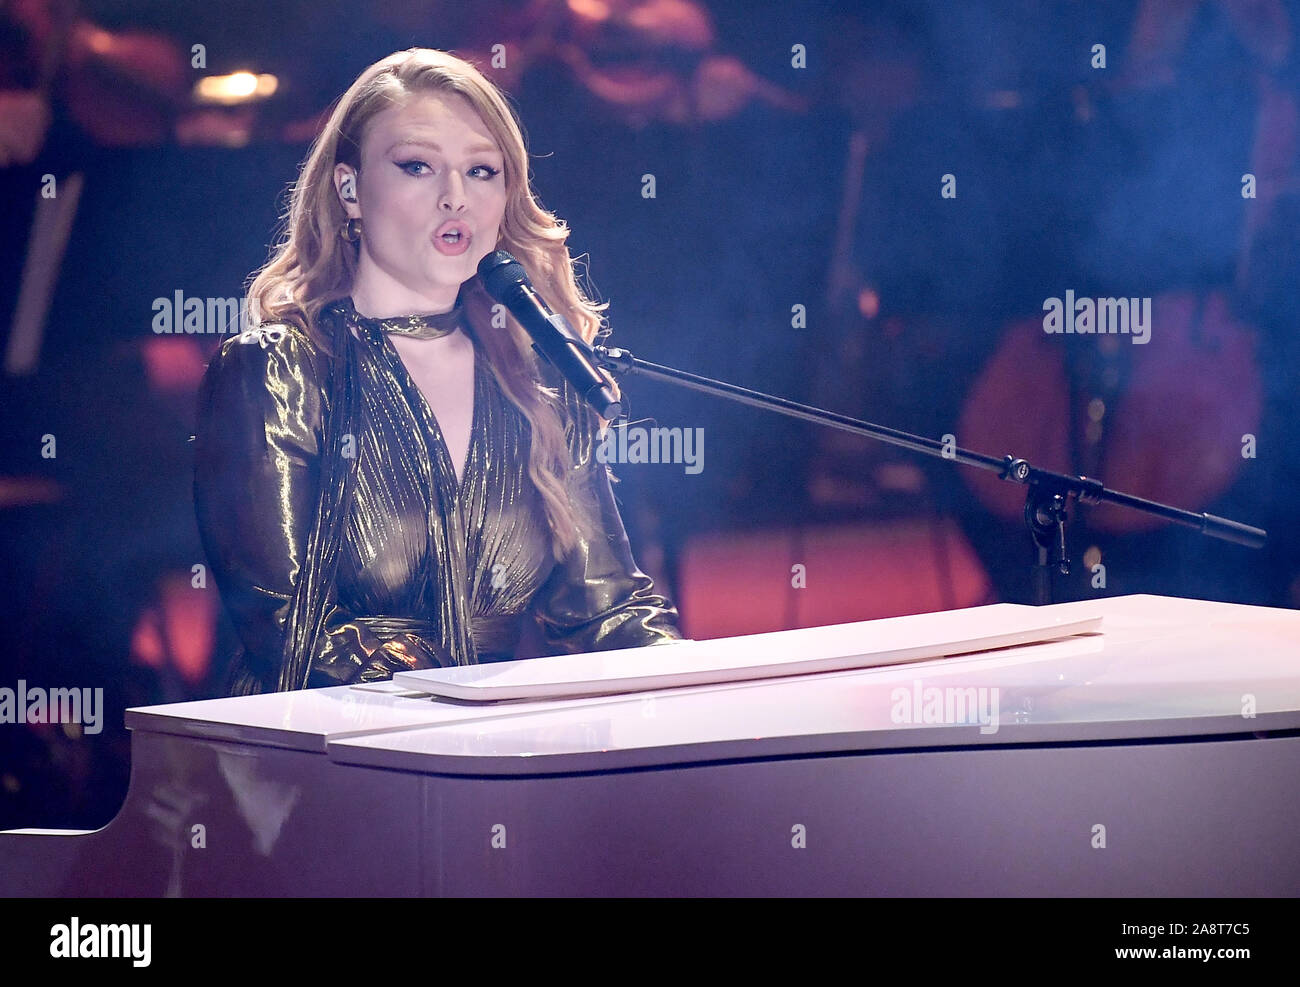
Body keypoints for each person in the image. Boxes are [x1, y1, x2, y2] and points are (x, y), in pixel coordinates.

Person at [193, 48, 682, 696]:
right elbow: (291, 635)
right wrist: (484, 706)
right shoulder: (278, 371)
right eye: (417, 166)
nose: (456, 197)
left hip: (479, 760)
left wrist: (712, 692)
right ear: (349, 189)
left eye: (481, 170)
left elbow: (609, 612)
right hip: (316, 772)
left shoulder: (535, 379)